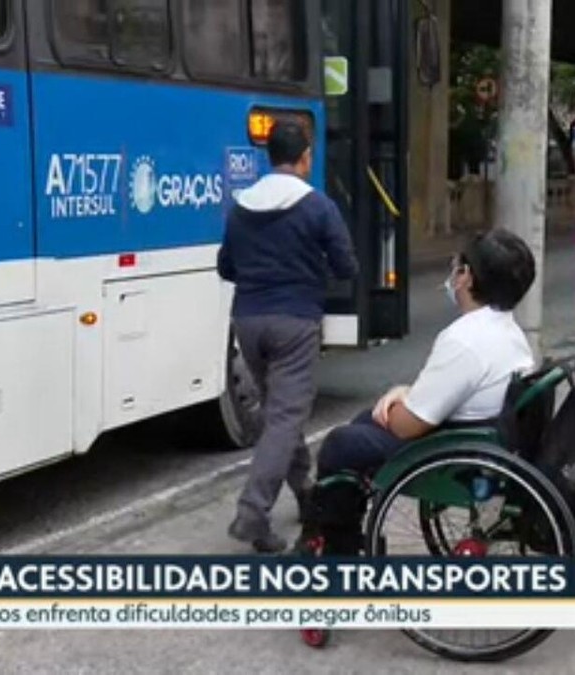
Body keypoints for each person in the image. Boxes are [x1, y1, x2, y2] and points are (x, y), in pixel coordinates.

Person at [297, 229, 537, 556]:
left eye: (458, 265)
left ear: (466, 277)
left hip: (455, 449)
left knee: (342, 444)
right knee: (364, 421)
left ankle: (339, 548)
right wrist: (403, 393)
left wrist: (397, 399)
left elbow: (407, 425)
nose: (453, 271)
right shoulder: (509, 332)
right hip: (485, 434)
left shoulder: (464, 340)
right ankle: (329, 534)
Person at [217, 120, 358, 553]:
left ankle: (306, 493)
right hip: (295, 322)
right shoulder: (317, 206)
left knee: (281, 411)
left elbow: (226, 266)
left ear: (268, 155)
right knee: (285, 417)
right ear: (306, 157)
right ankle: (252, 513)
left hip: (248, 321)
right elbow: (346, 266)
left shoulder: (242, 206)